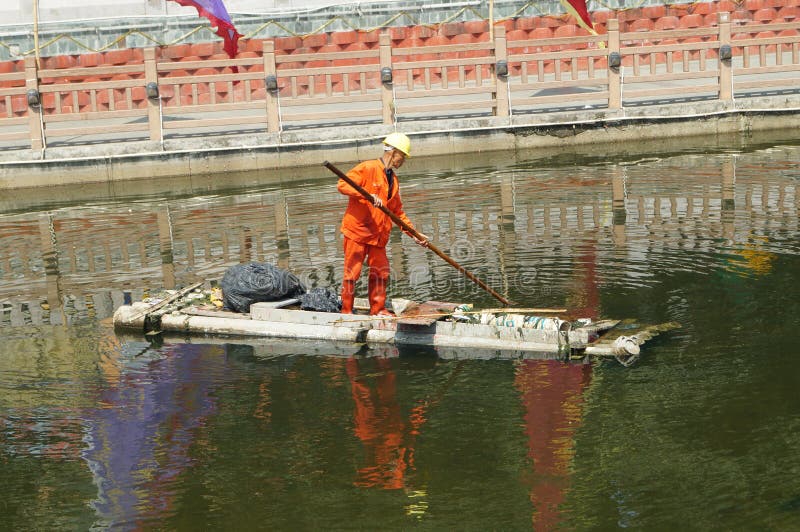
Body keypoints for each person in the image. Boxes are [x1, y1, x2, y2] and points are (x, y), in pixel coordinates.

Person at [337, 132, 428, 315]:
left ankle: (378, 310)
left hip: (378, 236)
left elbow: (397, 212)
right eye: (403, 156)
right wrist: (367, 195)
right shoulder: (368, 168)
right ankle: (346, 311)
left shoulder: (393, 180)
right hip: (358, 232)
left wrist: (415, 234)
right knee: (351, 274)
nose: (403, 161)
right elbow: (342, 185)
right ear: (393, 152)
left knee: (381, 272)